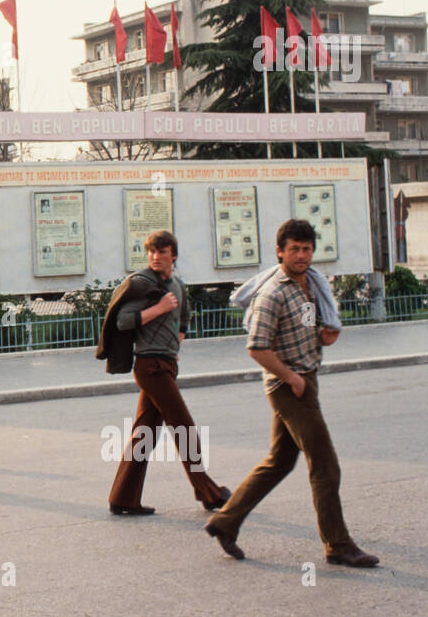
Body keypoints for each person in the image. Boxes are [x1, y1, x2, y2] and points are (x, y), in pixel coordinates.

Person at [204, 219, 378, 568]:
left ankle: (225, 521)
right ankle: (338, 545)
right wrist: (292, 379)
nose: (301, 255)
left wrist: (323, 336)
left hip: (305, 379)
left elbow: (303, 329)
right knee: (325, 465)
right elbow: (257, 348)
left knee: (279, 462)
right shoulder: (274, 293)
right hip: (289, 388)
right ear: (279, 251)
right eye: (294, 249)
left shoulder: (309, 286)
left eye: (307, 249)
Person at [103, 231, 230, 515]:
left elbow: (184, 316)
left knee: (144, 433)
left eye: (161, 252)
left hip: (167, 363)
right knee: (184, 428)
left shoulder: (178, 285)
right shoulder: (143, 285)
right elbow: (124, 322)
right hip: (149, 366)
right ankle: (208, 492)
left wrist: (176, 341)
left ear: (173, 255)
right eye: (151, 252)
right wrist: (158, 309)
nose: (155, 257)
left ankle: (123, 498)